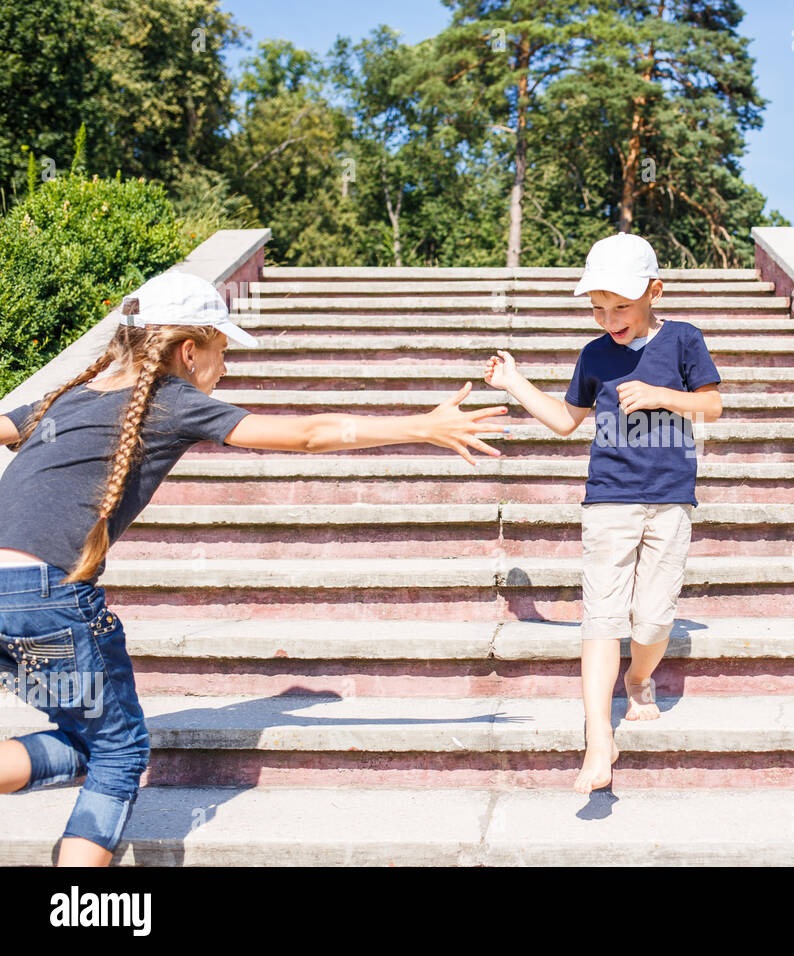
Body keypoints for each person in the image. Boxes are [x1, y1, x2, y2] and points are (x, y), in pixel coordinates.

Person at [0, 270, 507, 865]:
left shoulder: (69, 396)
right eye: (222, 352)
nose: (225, 370)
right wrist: (420, 426)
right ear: (189, 352)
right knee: (119, 755)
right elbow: (308, 434)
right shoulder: (171, 399)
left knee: (93, 744)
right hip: (49, 597)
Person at [483, 232, 723, 794]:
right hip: (608, 498)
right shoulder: (594, 355)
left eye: (620, 306)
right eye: (597, 307)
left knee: (654, 620)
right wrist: (516, 382)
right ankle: (597, 735)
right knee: (602, 619)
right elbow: (567, 421)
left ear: (654, 291)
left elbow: (711, 403)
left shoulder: (684, 340)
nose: (608, 317)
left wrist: (665, 396)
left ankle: (639, 678)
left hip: (669, 500)